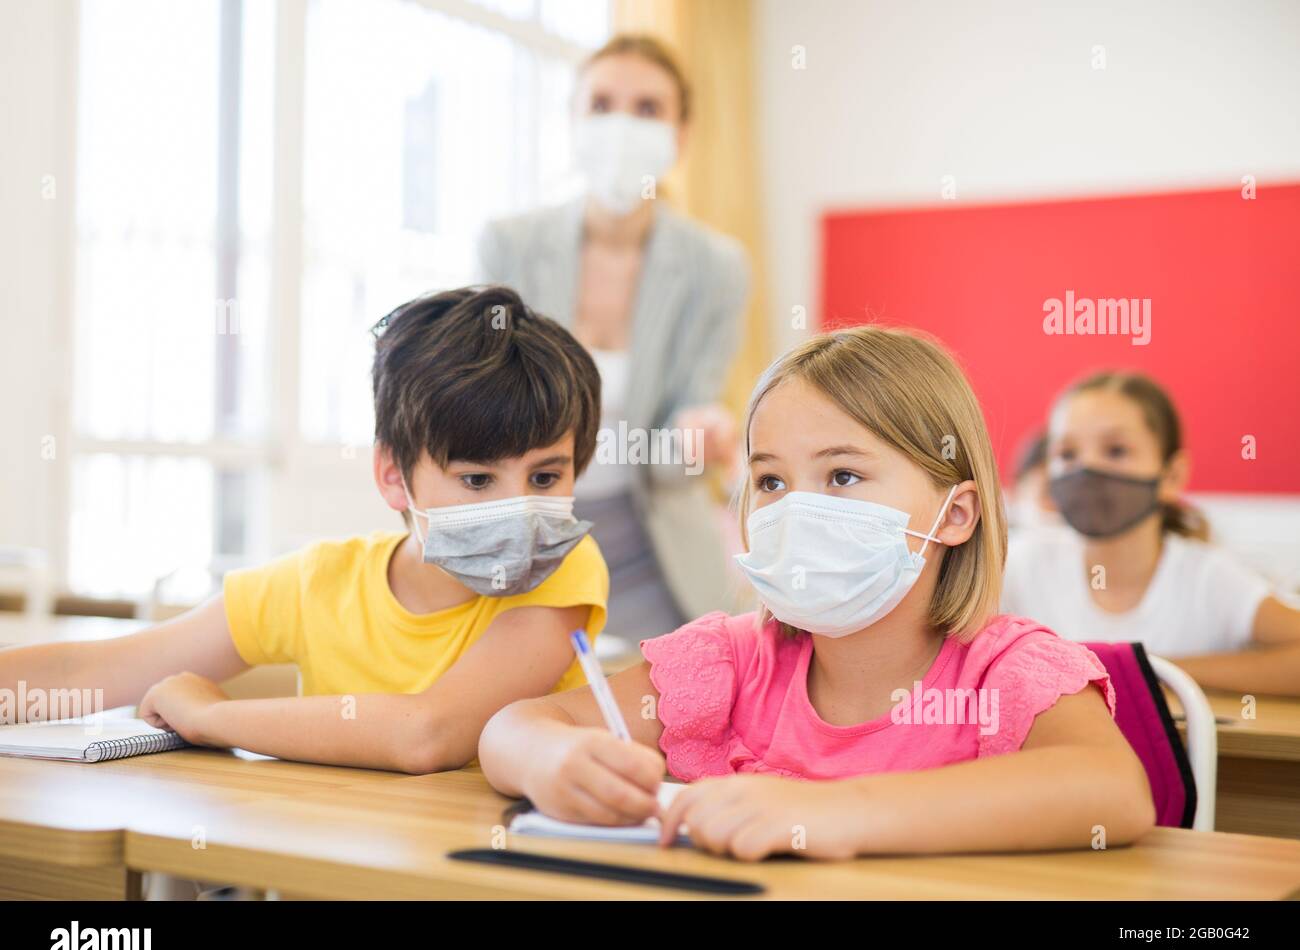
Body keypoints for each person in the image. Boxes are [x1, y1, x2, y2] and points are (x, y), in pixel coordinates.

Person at [479, 327, 1154, 860]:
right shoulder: (728, 662)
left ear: (955, 514)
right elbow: (513, 728)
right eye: (771, 481)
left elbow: (1114, 791)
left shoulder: (1001, 673)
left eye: (842, 475)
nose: (795, 509)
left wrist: (836, 812)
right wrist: (556, 760)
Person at [0, 287, 611, 770]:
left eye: (545, 478)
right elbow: (91, 673)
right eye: (478, 480)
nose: (520, 510)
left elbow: (429, 734)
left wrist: (215, 719)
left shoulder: (567, 574)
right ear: (393, 475)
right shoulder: (323, 581)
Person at [476, 34, 750, 642]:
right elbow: (479, 405)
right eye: (601, 103)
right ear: (573, 122)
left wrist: (698, 435)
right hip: (526, 536)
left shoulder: (717, 268)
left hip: (652, 551)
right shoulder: (509, 244)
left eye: (648, 108)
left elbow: (687, 424)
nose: (621, 124)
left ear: (680, 137)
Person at [1002, 371, 1300, 697]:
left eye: (1116, 451)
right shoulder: (1020, 566)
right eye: (1067, 454)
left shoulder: (1205, 578)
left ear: (1171, 476)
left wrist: (1150, 670)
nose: (1086, 469)